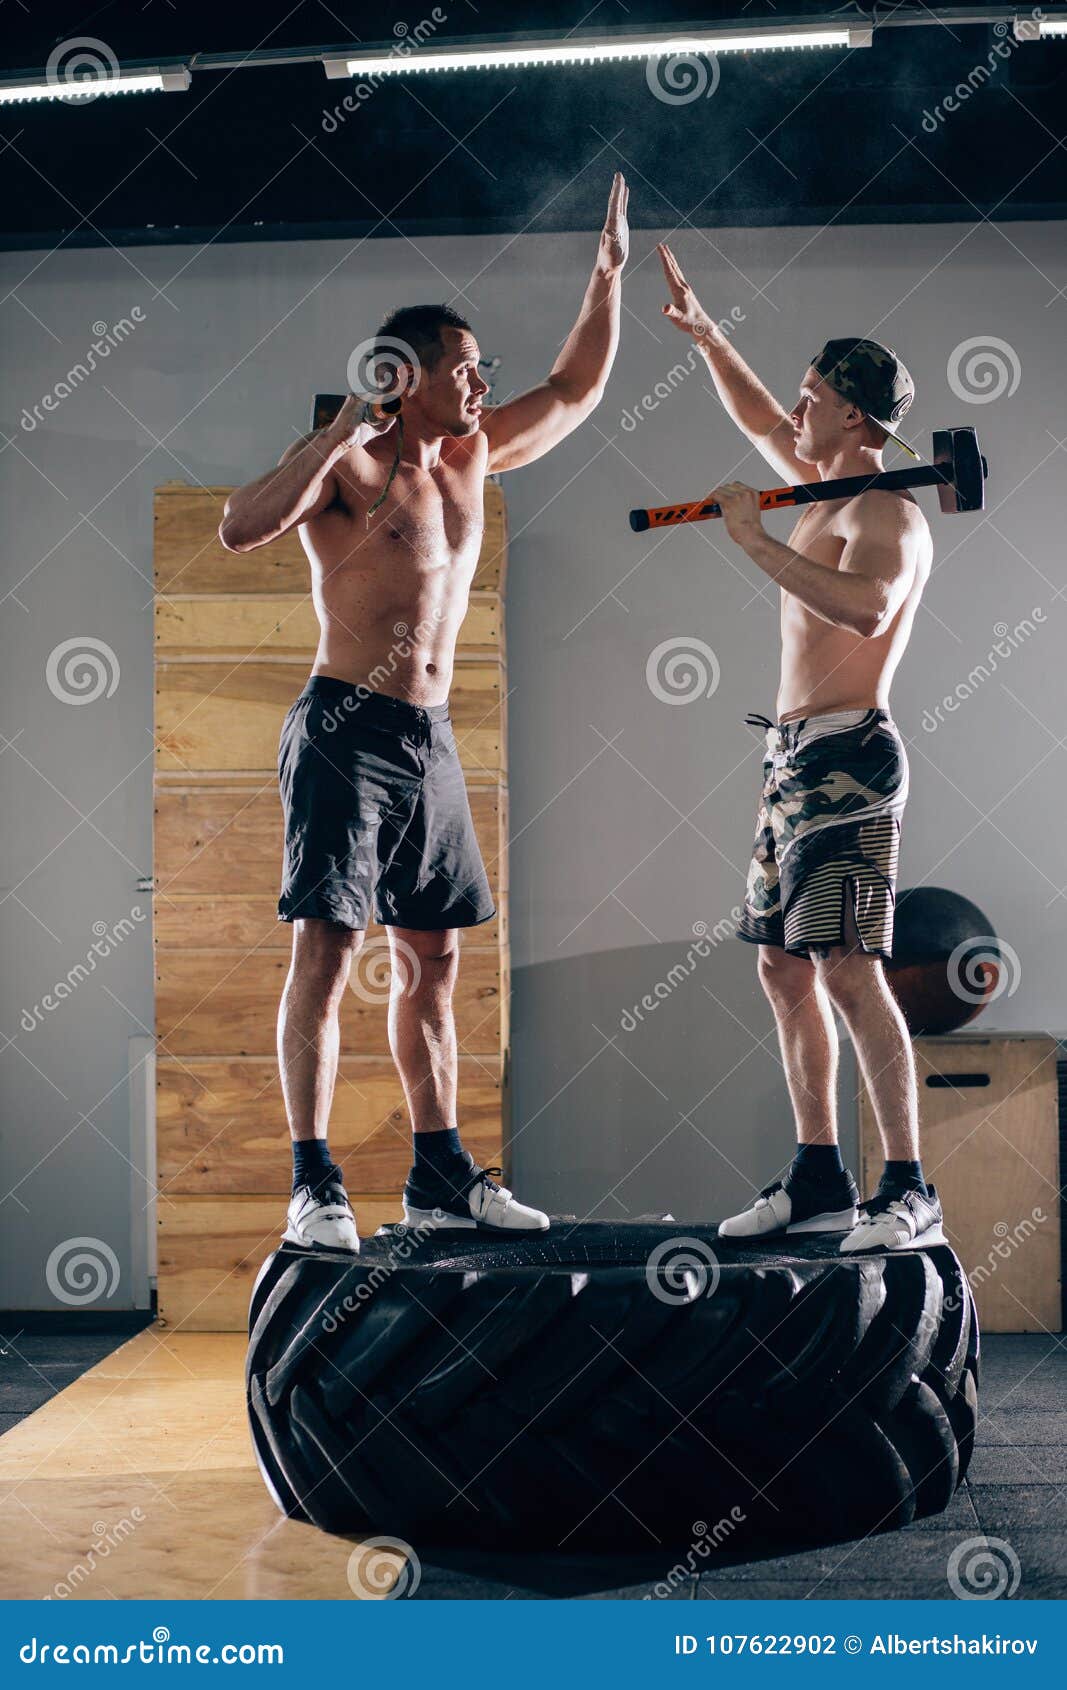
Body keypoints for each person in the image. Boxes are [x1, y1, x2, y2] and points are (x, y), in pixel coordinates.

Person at [219, 175, 629, 1251]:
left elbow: (577, 388)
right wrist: (353, 415)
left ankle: (439, 1173)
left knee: (433, 960)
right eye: (463, 367)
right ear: (409, 377)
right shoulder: (352, 466)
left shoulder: (475, 457)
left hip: (427, 740)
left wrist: (607, 278)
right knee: (325, 948)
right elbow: (238, 527)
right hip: (343, 728)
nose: (482, 381)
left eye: (481, 366)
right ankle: (313, 1184)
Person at [656, 241, 944, 1255]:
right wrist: (705, 336)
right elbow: (756, 418)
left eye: (812, 395)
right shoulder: (820, 486)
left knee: (846, 968)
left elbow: (863, 613)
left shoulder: (885, 512)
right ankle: (818, 1174)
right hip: (788, 760)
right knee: (783, 968)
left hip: (849, 760)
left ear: (856, 415)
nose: (796, 409)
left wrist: (748, 540)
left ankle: (905, 1188)